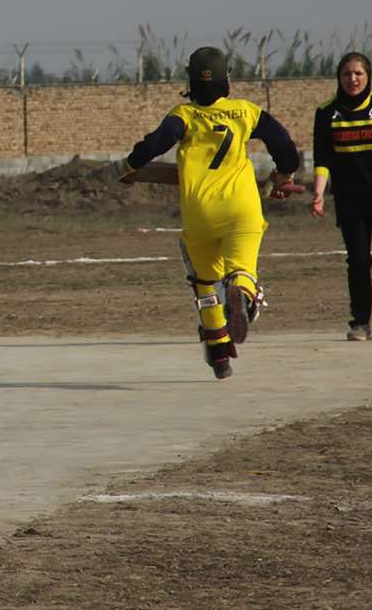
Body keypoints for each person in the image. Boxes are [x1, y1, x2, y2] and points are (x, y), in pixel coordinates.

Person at [120, 46, 302, 380]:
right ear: (226, 80)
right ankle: (243, 293)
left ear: (190, 80)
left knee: (205, 283)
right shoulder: (245, 111)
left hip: (200, 212)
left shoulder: (185, 115)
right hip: (242, 208)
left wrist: (130, 165)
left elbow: (156, 143)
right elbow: (284, 146)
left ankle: (219, 354)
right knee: (242, 269)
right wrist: (284, 175)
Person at [310, 52, 372, 341]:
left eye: (358, 73)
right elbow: (323, 158)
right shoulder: (327, 112)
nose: (352, 79)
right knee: (357, 260)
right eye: (346, 74)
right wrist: (318, 194)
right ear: (338, 77)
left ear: (367, 76)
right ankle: (360, 323)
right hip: (349, 200)